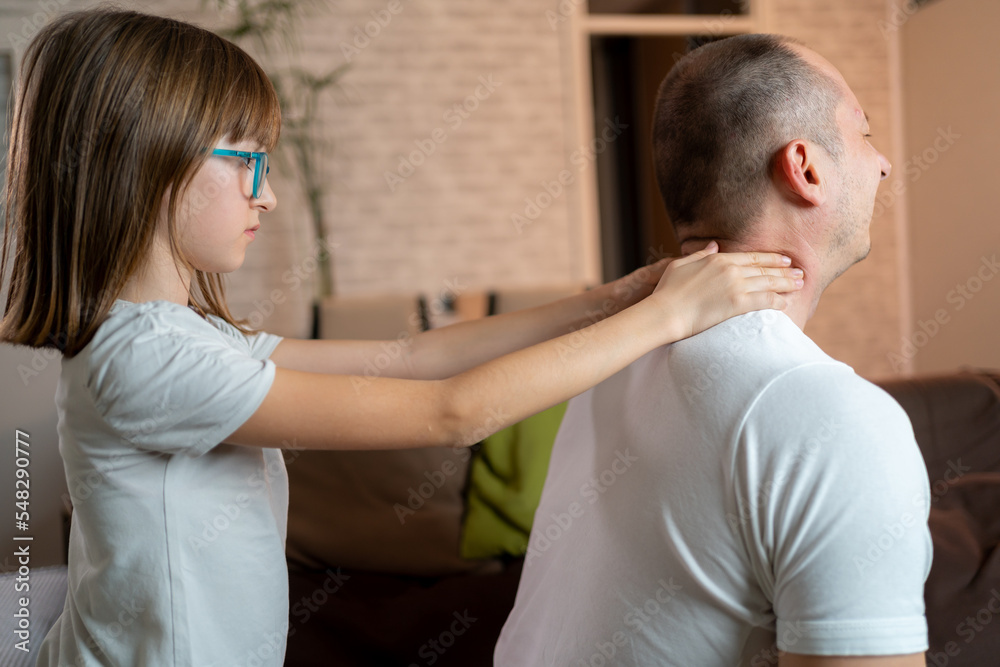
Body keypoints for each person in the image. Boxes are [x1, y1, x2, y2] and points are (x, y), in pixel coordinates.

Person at [0, 10, 804, 666]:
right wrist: (664, 318)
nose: (268, 194)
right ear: (150, 165)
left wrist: (610, 299)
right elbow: (450, 412)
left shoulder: (186, 335)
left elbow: (417, 357)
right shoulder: (145, 359)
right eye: (247, 162)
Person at [495, 34, 932, 667]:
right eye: (863, 134)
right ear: (806, 169)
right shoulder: (838, 423)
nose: (884, 163)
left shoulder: (610, 353)